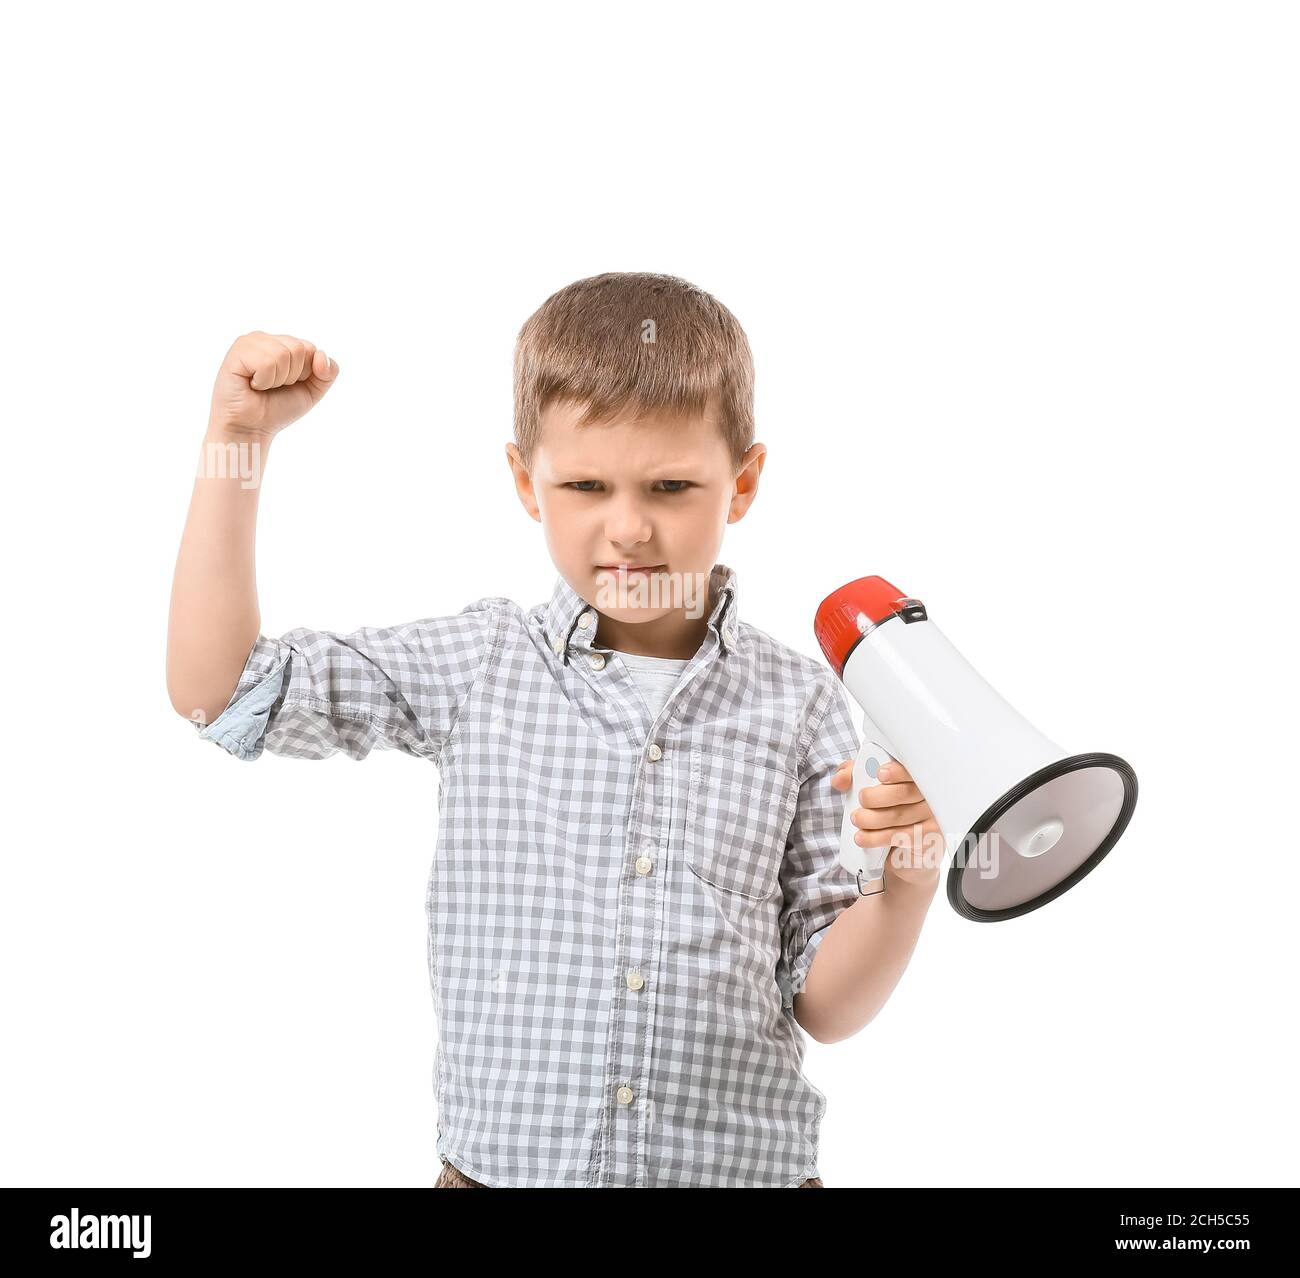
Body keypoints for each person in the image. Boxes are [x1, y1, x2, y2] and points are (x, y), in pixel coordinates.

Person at [166, 272, 943, 1188]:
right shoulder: (480, 664)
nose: (629, 527)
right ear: (525, 483)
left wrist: (906, 882)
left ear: (743, 482)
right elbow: (223, 693)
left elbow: (825, 1004)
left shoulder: (804, 704)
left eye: (671, 485)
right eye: (584, 483)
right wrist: (238, 441)